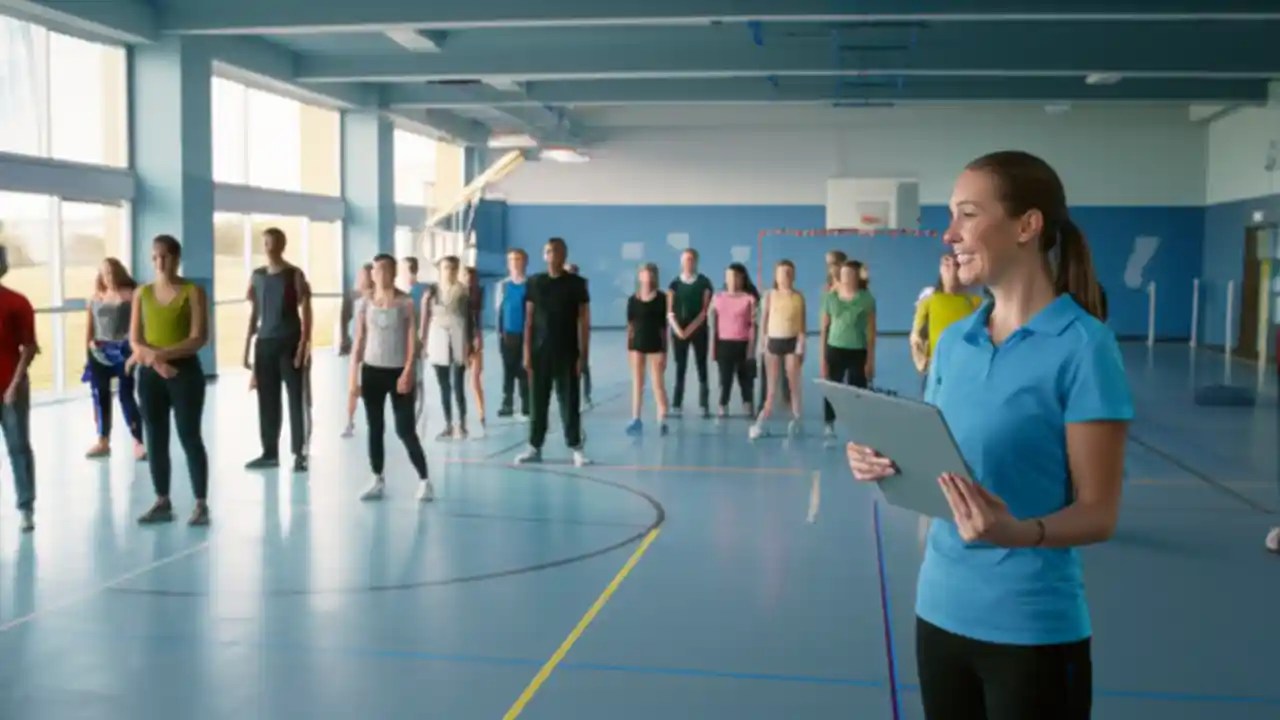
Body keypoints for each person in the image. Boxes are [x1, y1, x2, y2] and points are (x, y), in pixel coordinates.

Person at [847, 150, 1132, 720]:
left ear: (1027, 226)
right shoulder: (954, 342)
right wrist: (886, 458)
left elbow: (1099, 514)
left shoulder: (1084, 346)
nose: (950, 234)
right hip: (940, 612)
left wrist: (1019, 532)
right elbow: (944, 461)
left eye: (968, 215)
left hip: (1031, 630)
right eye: (952, 216)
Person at [129, 235, 211, 526]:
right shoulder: (142, 293)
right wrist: (155, 362)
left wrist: (158, 356)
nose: (159, 262)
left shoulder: (193, 291)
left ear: (177, 258)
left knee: (189, 436)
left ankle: (201, 503)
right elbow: (134, 339)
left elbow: (198, 337)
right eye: (155, 257)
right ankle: (162, 500)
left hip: (184, 374)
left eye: (165, 256)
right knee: (156, 438)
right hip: (152, 377)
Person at [351, 254, 433, 502]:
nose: (380, 274)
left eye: (386, 269)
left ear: (394, 272)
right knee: (375, 427)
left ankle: (425, 480)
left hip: (398, 372)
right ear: (372, 273)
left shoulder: (406, 302)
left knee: (405, 429)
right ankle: (377, 478)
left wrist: (409, 370)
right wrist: (354, 378)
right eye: (376, 269)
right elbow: (359, 340)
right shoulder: (364, 304)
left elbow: (413, 341)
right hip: (372, 371)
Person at [516, 237, 591, 466]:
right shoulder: (535, 283)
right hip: (540, 353)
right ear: (544, 255)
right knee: (538, 401)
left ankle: (576, 447)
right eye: (549, 251)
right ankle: (534, 446)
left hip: (568, 352)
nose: (553, 255)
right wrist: (527, 352)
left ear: (564, 255)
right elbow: (528, 320)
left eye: (558, 251)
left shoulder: (577, 284)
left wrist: (583, 356)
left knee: (569, 402)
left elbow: (584, 321)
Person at [243, 228, 312, 472]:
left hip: (289, 342)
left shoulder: (294, 274)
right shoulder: (257, 275)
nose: (268, 247)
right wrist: (247, 348)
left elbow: (306, 310)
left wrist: (304, 344)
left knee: (295, 398)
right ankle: (269, 452)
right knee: (267, 400)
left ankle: (299, 453)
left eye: (272, 242)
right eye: (265, 243)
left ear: (282, 245)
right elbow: (255, 312)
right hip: (265, 343)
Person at [82, 257, 146, 461]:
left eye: (111, 272)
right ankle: (103, 440)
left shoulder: (133, 295)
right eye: (104, 273)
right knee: (100, 396)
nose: (107, 277)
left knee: (126, 395)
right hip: (99, 352)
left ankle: (138, 441)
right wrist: (88, 353)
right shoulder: (95, 298)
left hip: (123, 352)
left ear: (118, 272)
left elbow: (139, 326)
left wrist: (136, 351)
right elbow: (89, 330)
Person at [0, 246, 38, 533]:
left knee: (18, 447)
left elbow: (29, 348)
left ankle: (26, 507)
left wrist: (14, 385)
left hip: (11, 387)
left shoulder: (17, 302)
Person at [749, 260, 805, 440]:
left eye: (789, 272)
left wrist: (801, 347)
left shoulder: (799, 297)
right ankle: (760, 423)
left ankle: (797, 420)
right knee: (771, 389)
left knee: (794, 386)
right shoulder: (770, 295)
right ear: (776, 276)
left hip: (792, 343)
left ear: (794, 275)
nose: (786, 276)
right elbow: (763, 321)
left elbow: (802, 326)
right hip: (773, 343)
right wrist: (762, 346)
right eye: (782, 272)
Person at [820, 260, 876, 438]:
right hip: (834, 349)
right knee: (832, 387)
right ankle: (829, 423)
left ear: (857, 276)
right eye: (843, 274)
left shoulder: (867, 299)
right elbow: (824, 329)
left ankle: (859, 425)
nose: (846, 278)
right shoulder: (830, 298)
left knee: (858, 390)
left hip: (857, 350)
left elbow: (871, 332)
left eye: (850, 274)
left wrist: (870, 360)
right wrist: (823, 359)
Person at [911, 254, 983, 387]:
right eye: (946, 265)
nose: (951, 270)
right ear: (940, 269)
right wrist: (923, 363)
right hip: (937, 367)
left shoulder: (975, 302)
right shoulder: (929, 299)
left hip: (966, 367)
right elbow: (916, 336)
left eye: (955, 265)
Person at [421, 256, 471, 440]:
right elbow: (425, 316)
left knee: (458, 384)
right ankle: (448, 423)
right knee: (444, 385)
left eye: (452, 268)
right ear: (440, 270)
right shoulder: (432, 291)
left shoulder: (462, 291)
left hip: (458, 334)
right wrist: (423, 340)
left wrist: (470, 343)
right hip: (438, 336)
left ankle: (463, 423)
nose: (449, 271)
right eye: (445, 268)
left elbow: (469, 319)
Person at [667, 248, 714, 418]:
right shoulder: (674, 284)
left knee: (701, 366)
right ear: (681, 262)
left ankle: (704, 404)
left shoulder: (704, 283)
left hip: (699, 330)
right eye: (686, 259)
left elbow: (704, 311)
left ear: (696, 261)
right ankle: (677, 403)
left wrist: (690, 330)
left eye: (691, 259)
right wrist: (679, 330)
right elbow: (670, 311)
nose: (689, 262)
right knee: (680, 366)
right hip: (678, 331)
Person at [625, 263, 670, 435]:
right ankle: (636, 418)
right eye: (644, 274)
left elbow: (664, 328)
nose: (648, 277)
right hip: (637, 345)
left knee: (658, 384)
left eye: (651, 274)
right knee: (637, 383)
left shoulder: (662, 299)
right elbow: (630, 327)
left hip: (656, 347)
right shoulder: (633, 300)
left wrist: (665, 351)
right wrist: (629, 349)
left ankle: (662, 418)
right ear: (639, 277)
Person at [711, 264, 756, 417]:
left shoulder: (749, 299)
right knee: (725, 379)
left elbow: (752, 325)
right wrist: (713, 348)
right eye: (729, 276)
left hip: (743, 343)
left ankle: (748, 405)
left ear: (742, 278)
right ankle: (723, 405)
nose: (732, 280)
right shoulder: (717, 298)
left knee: (745, 380)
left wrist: (751, 348)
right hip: (724, 344)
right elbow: (713, 327)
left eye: (736, 276)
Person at [494, 249, 530, 419]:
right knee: (508, 370)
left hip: (526, 335)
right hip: (508, 335)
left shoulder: (530, 285)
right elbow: (499, 312)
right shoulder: (502, 286)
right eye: (511, 259)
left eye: (518, 259)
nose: (515, 262)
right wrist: (499, 336)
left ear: (525, 262)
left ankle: (527, 405)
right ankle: (507, 404)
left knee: (524, 370)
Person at [340, 262, 374, 437]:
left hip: (371, 349)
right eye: (360, 276)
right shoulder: (356, 297)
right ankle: (349, 421)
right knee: (352, 387)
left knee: (369, 387)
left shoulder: (375, 299)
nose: (360, 279)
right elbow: (346, 318)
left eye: (364, 276)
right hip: (357, 348)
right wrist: (345, 339)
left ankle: (372, 420)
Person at [461, 265, 487, 433]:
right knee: (458, 380)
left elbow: (478, 319)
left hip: (473, 338)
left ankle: (481, 412)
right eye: (466, 278)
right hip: (460, 339)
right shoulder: (459, 296)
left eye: (472, 279)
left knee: (475, 379)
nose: (469, 282)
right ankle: (460, 417)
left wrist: (478, 337)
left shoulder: (479, 294)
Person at [565, 263, 593, 406]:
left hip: (579, 327)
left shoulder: (581, 288)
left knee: (584, 363)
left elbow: (585, 312)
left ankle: (587, 394)